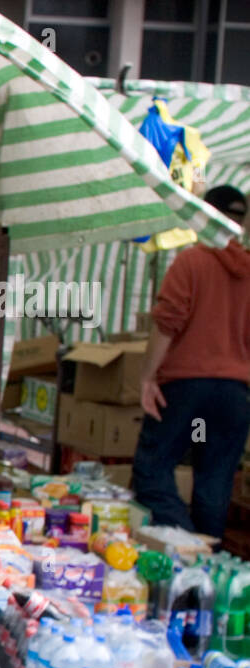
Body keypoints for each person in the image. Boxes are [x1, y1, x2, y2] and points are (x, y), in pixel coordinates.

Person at [133, 185, 250, 539]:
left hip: (189, 394)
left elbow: (167, 323)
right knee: (213, 480)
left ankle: (185, 547)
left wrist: (147, 378)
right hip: (232, 398)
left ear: (203, 216)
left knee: (153, 470)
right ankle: (207, 572)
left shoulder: (191, 262)